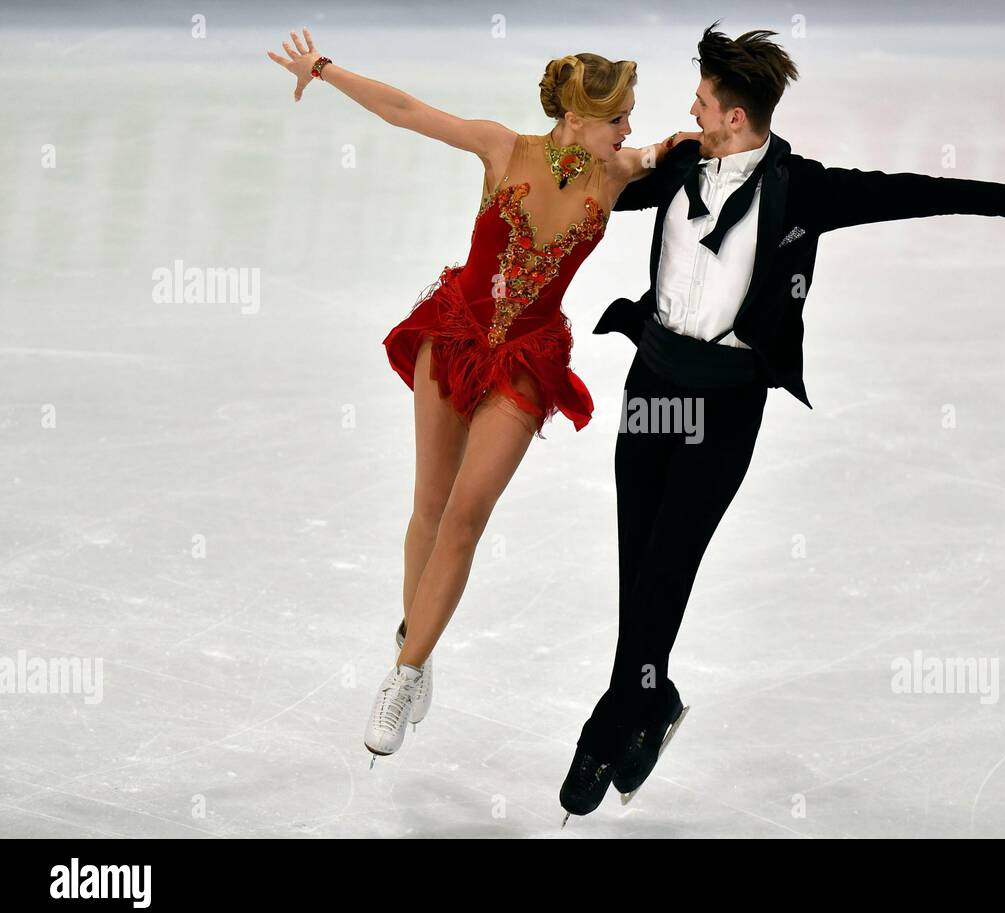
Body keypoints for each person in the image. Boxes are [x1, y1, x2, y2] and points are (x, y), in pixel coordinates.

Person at [559, 21, 1005, 819]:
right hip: (652, 381)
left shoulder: (802, 190)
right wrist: (560, 140)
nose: (691, 111)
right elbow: (591, 184)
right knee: (639, 559)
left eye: (702, 102)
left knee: (671, 563)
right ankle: (651, 699)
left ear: (737, 115)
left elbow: (910, 192)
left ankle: (612, 717)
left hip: (726, 400)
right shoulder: (678, 164)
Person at [266, 28, 698, 763]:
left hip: (526, 362)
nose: (630, 127)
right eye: (620, 115)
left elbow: (677, 152)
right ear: (579, 118)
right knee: (429, 506)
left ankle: (401, 675)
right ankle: (420, 643)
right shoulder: (504, 148)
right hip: (456, 333)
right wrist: (325, 69)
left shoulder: (618, 172)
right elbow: (407, 110)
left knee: (465, 516)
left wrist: (700, 137)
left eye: (630, 118)